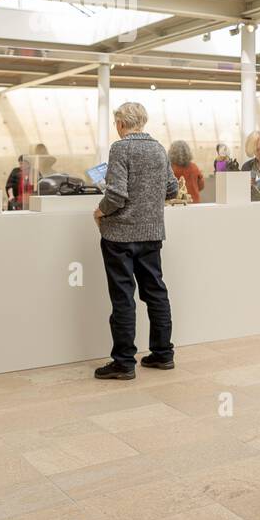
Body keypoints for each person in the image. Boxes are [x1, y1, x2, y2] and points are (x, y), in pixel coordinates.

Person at [92, 102, 177, 379]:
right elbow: (172, 188)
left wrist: (100, 211)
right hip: (151, 235)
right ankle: (163, 354)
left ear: (120, 124)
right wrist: (148, 204)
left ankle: (124, 362)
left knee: (123, 297)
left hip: (120, 236)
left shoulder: (120, 148)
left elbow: (116, 195)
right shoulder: (159, 149)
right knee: (156, 293)